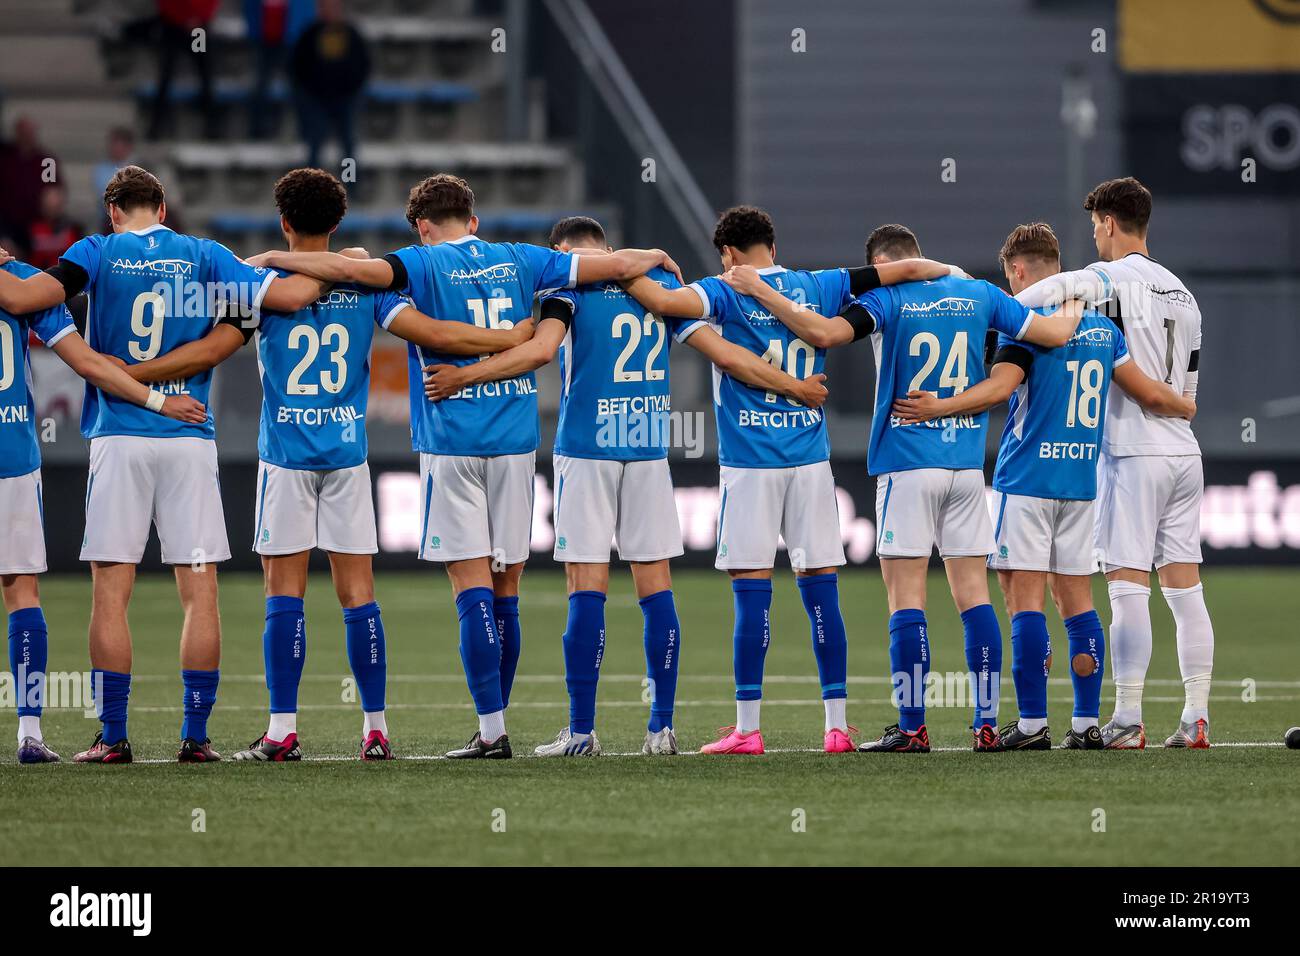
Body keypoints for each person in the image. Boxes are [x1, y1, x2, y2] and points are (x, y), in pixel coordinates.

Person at [244, 173, 679, 759]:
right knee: (508, 589)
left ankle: (493, 729)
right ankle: (618, 725)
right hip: (516, 442)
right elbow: (604, 267)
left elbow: (353, 273)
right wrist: (647, 255)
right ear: (472, 220)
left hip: (450, 442)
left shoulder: (417, 266)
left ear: (422, 228)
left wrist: (273, 255)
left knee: (470, 587)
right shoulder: (523, 258)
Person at [118, 168, 531, 761]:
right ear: (336, 223)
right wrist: (510, 338)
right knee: (359, 594)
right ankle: (375, 729)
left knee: (283, 595)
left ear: (284, 222)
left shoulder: (259, 284)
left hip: (285, 455)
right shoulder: (368, 284)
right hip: (347, 453)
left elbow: (213, 346)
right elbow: (431, 330)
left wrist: (132, 376)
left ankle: (283, 730)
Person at [424, 215, 828, 756]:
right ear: (610, 249)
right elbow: (729, 357)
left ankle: (582, 731)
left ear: (568, 254)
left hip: (587, 452)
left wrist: (468, 371)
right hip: (647, 452)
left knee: (585, 588)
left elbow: (540, 351)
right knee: (655, 588)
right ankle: (661, 729)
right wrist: (794, 386)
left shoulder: (566, 292)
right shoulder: (659, 294)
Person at [0, 164, 331, 763]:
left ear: (113, 213)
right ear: (163, 210)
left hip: (121, 437)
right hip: (189, 433)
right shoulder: (205, 253)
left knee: (110, 595)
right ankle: (196, 738)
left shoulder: (95, 250)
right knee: (200, 593)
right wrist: (310, 261)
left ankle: (114, 737)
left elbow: (32, 297)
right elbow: (293, 297)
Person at [732, 222, 1087, 752]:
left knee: (906, 598)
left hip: (907, 462)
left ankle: (913, 726)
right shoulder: (981, 293)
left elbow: (823, 334)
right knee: (974, 597)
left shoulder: (886, 297)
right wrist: (1077, 291)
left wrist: (761, 290)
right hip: (966, 467)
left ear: (884, 263)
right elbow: (1056, 335)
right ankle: (986, 725)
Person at [621, 205, 954, 755]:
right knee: (823, 594)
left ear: (728, 254)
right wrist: (956, 275)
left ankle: (748, 730)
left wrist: (625, 263)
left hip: (751, 465)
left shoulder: (722, 292)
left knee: (752, 598)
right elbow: (912, 270)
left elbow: (658, 301)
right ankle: (838, 727)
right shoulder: (821, 284)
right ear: (772, 247)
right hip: (810, 461)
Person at [892, 222, 1195, 749]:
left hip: (1027, 478)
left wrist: (938, 406)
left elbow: (999, 388)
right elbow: (1148, 392)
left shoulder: (1027, 328)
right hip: (1080, 480)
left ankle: (1032, 723)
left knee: (1024, 602)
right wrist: (1185, 404)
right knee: (1078, 601)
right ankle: (1085, 724)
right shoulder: (1105, 331)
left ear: (1017, 271)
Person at [1011, 178, 1211, 749]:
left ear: (1107, 222)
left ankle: (1126, 718)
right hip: (1183, 454)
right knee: (1186, 588)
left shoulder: (1110, 280)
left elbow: (1043, 293)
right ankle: (1196, 715)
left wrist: (987, 310)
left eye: (1096, 224)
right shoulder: (1184, 295)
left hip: (1132, 452)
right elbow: (1188, 393)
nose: (1094, 234)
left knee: (1127, 586)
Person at [0, 255, 207, 763]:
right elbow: (89, 363)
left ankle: (78, 733)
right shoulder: (27, 282)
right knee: (21, 591)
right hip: (11, 457)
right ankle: (29, 733)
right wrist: (159, 401)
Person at [290, 0, 370, 169]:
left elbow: (363, 64)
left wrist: (352, 90)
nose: (330, 11)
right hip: (317, 100)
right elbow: (297, 66)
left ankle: (352, 184)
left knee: (348, 146)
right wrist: (310, 93)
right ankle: (310, 187)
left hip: (346, 99)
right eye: (326, 7)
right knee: (315, 145)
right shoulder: (309, 34)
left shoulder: (351, 33)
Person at [148, 0, 221, 140]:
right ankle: (155, 127)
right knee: (166, 76)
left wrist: (198, 18)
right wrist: (183, 18)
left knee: (205, 74)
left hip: (197, 30)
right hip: (174, 26)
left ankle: (212, 127)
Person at [26, 186, 83, 271]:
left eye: (56, 202)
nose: (52, 205)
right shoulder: (33, 229)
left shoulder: (73, 228)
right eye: (49, 201)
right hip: (36, 277)